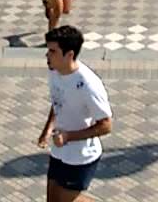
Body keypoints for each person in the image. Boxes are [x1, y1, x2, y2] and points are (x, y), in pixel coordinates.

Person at [38, 25, 113, 202]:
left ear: (69, 55)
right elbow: (58, 100)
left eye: (52, 51)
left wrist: (68, 136)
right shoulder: (55, 71)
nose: (47, 55)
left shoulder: (88, 85)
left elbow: (106, 125)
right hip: (60, 151)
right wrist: (47, 129)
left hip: (81, 156)